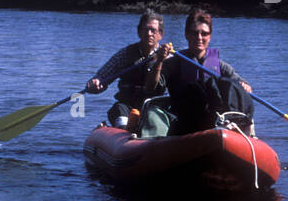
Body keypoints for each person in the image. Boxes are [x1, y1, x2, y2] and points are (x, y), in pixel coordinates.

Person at [150, 8, 254, 136]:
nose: (199, 38)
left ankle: (240, 132)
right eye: (194, 33)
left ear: (209, 37)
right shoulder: (173, 63)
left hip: (214, 123)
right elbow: (152, 89)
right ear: (187, 35)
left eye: (204, 33)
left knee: (231, 85)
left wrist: (244, 86)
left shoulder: (220, 66)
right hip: (185, 122)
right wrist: (159, 62)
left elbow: (240, 84)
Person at [85, 11, 167, 129]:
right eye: (145, 29)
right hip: (127, 107)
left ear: (160, 34)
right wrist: (95, 83)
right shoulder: (125, 54)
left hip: (155, 108)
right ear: (139, 32)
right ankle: (124, 134)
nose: (149, 34)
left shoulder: (168, 58)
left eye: (153, 30)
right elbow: (102, 76)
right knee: (119, 110)